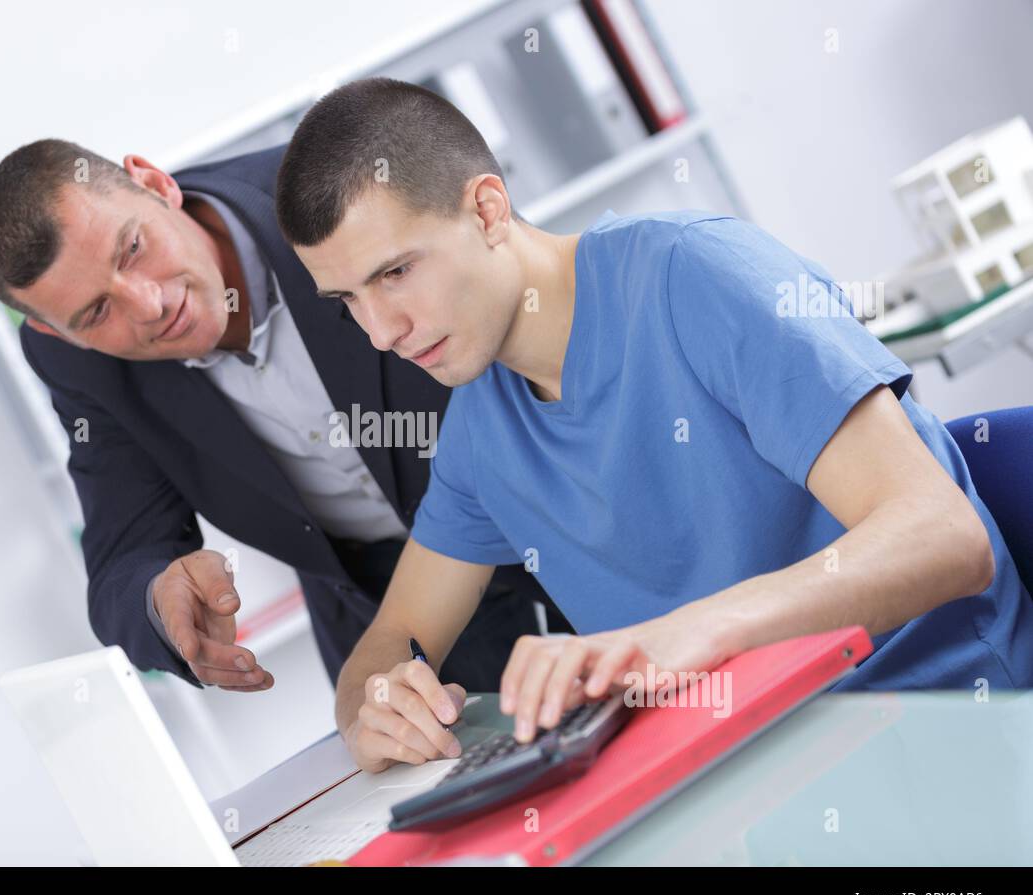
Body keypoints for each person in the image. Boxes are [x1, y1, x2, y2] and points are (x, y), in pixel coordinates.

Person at [274, 77, 1033, 773]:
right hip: (744, 784)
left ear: (487, 210)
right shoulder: (479, 428)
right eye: (347, 300)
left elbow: (945, 536)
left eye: (395, 273)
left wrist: (694, 633)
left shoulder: (697, 275)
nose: (380, 332)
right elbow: (390, 638)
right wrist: (373, 705)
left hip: (943, 738)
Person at [0, 139, 566, 697]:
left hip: (558, 514)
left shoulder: (340, 183)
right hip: (384, 611)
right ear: (51, 329)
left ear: (154, 183)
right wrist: (159, 599)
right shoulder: (75, 361)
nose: (151, 305)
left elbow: (538, 329)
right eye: (96, 311)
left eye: (134, 249)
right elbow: (124, 549)